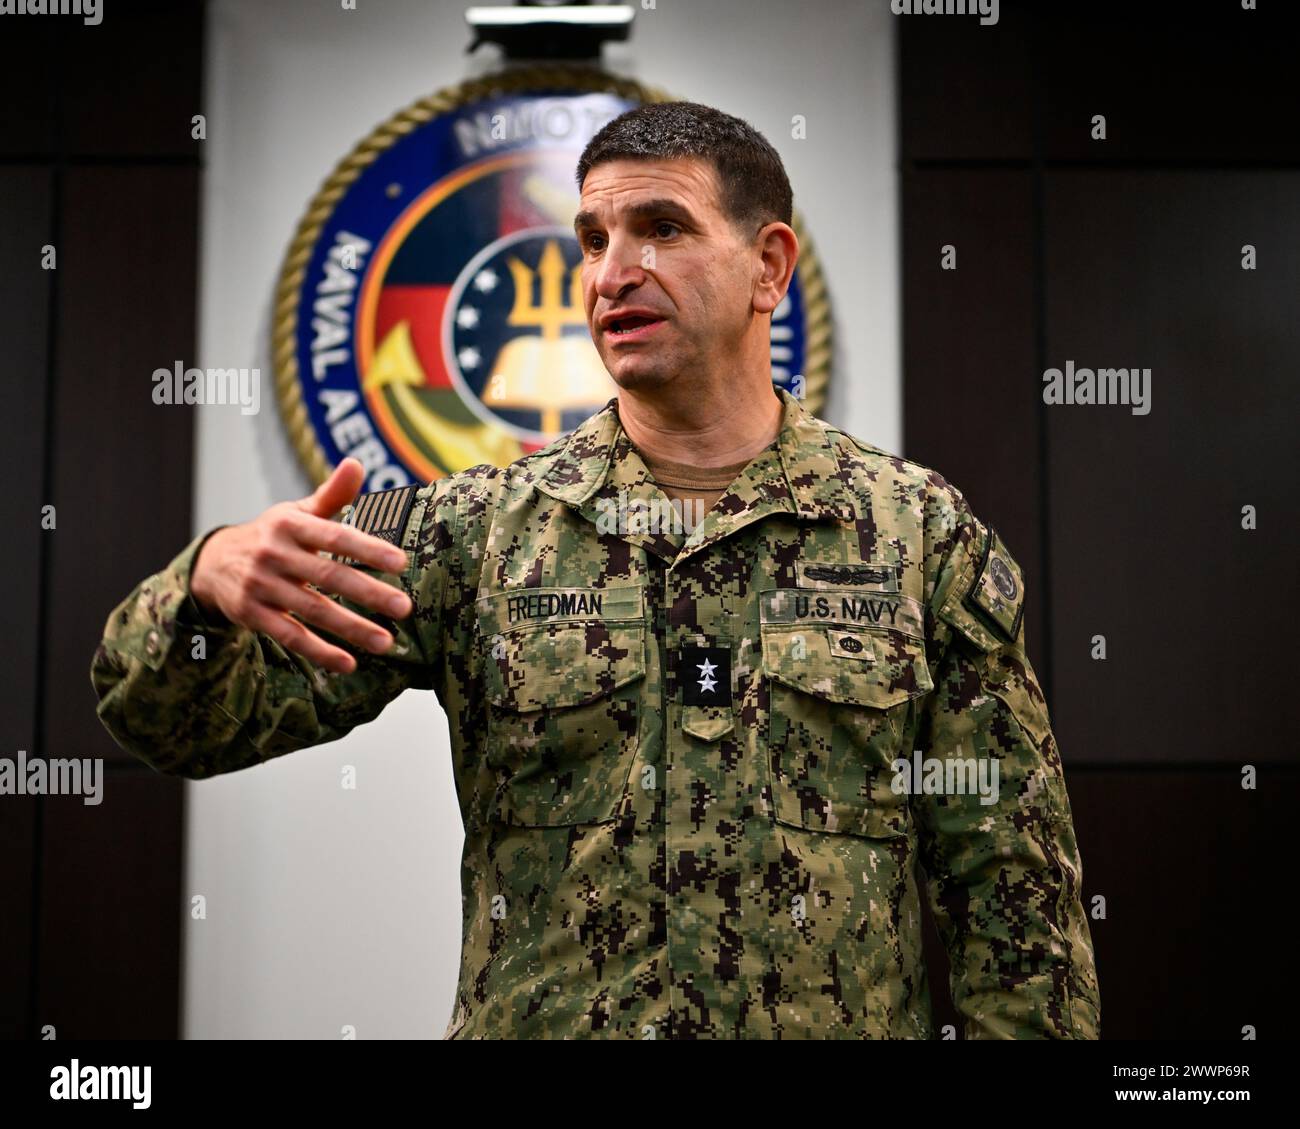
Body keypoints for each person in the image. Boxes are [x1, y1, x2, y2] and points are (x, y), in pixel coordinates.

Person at [91, 101, 1100, 1040]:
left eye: (661, 227)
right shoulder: (472, 534)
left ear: (769, 266)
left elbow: (1013, 894)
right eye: (592, 239)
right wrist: (202, 588)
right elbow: (176, 724)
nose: (613, 270)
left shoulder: (917, 536)